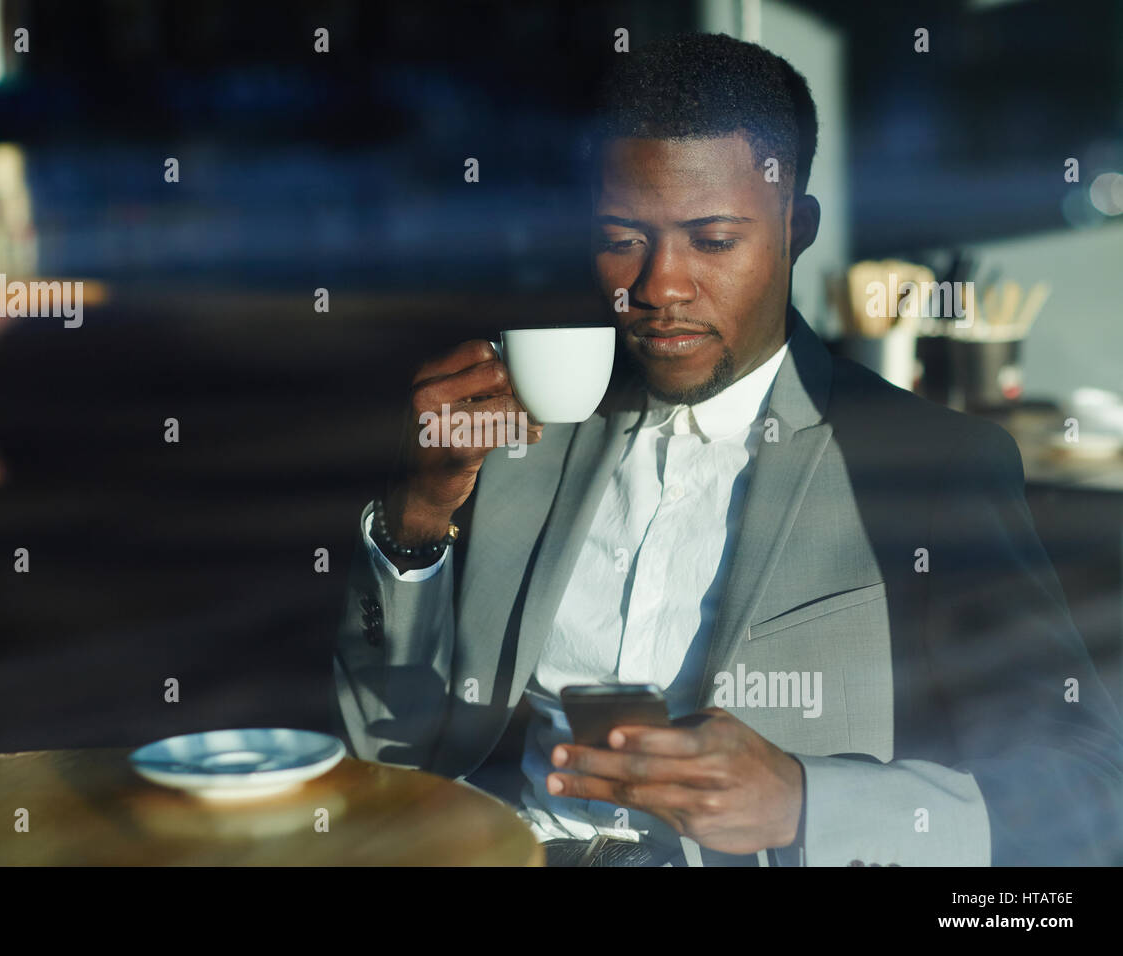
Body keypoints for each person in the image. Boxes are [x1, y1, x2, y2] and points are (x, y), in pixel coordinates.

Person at [331, 31, 1123, 866]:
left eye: (712, 241)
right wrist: (415, 517)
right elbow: (388, 752)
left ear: (797, 229)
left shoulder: (929, 468)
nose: (660, 288)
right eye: (622, 237)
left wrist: (805, 801)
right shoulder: (527, 434)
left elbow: (1088, 793)